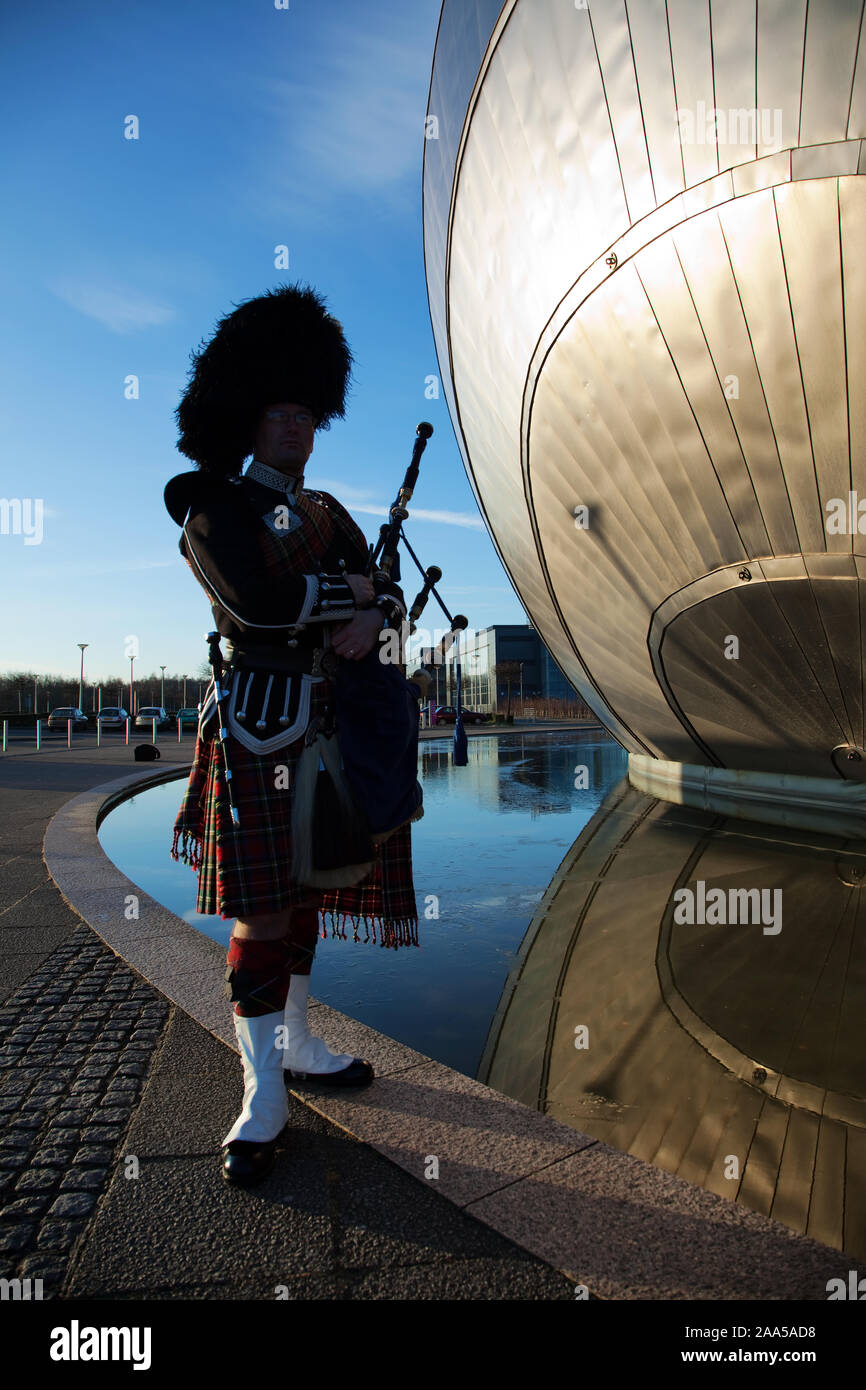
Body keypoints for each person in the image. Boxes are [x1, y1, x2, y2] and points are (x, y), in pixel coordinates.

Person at [164, 283, 422, 1186]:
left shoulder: (330, 516)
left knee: (309, 892)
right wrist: (351, 600)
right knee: (263, 904)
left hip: (334, 731)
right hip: (258, 730)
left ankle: (302, 1044)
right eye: (278, 413)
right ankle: (259, 1094)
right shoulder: (212, 505)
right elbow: (256, 606)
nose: (293, 430)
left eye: (306, 415)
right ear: (248, 417)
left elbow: (389, 604)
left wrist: (373, 613)